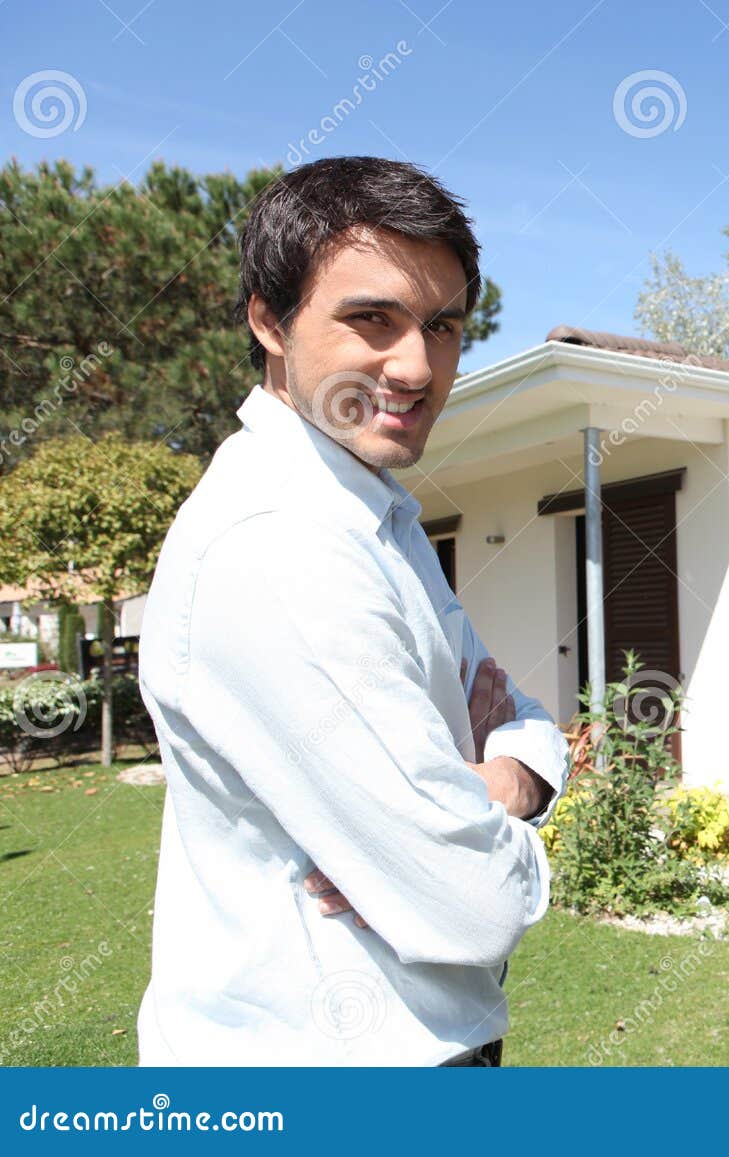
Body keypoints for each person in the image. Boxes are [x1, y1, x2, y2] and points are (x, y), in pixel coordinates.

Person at [137, 157, 570, 1066]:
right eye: (372, 317)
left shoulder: (377, 518)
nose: (415, 366)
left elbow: (524, 721)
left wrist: (505, 785)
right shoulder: (278, 541)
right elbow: (469, 901)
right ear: (268, 318)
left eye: (443, 326)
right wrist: (491, 848)